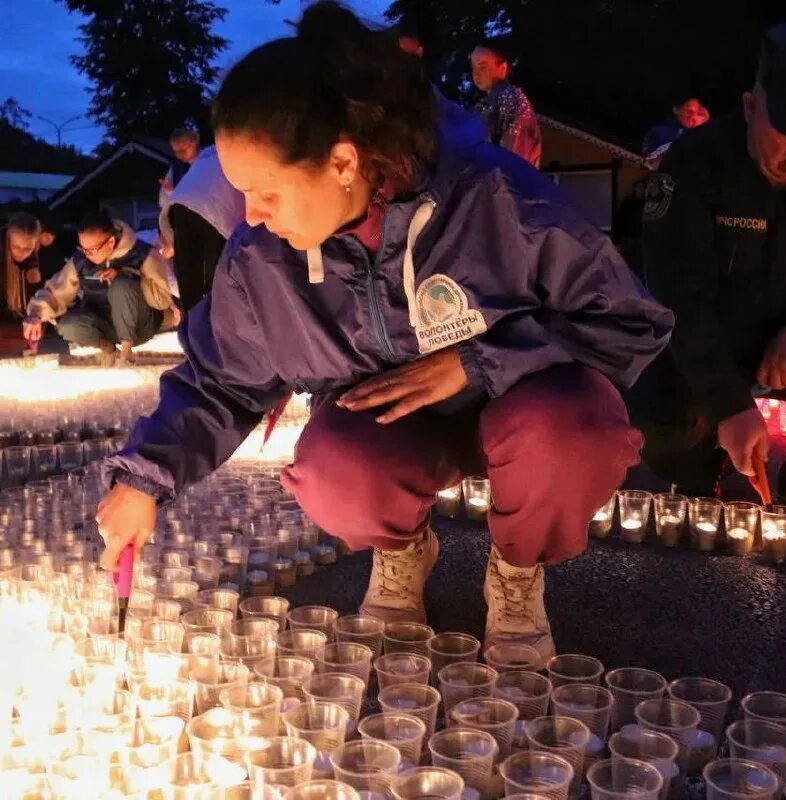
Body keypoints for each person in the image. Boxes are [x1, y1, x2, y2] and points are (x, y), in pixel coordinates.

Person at [95, 2, 671, 663]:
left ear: (342, 162)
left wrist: (480, 362)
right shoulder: (263, 260)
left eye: (267, 192)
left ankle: (516, 574)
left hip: (531, 413)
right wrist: (144, 479)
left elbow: (628, 321)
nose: (250, 215)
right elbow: (217, 379)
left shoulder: (494, 201)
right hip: (398, 432)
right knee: (332, 467)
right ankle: (401, 554)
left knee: (576, 433)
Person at [629, 20, 786, 498]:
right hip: (708, 344)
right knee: (658, 421)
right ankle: (700, 480)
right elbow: (678, 296)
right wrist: (729, 404)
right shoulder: (691, 167)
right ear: (750, 107)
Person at [22, 210, 176, 365]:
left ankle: (126, 354)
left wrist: (126, 275)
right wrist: (36, 314)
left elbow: (161, 300)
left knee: (121, 286)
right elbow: (57, 291)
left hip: (140, 325)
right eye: (83, 249)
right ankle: (109, 351)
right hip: (103, 324)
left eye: (93, 250)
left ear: (110, 242)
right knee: (67, 325)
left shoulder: (142, 254)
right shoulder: (81, 260)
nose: (87, 254)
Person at [158, 145, 246, 311]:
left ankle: (193, 324)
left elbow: (165, 197)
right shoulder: (232, 156)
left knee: (189, 277)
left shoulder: (201, 162)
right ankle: (217, 321)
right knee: (218, 272)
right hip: (213, 211)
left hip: (179, 205)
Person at [470, 40, 542, 168]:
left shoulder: (512, 100)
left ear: (503, 68)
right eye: (473, 67)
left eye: (483, 67)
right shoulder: (483, 105)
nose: (476, 73)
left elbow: (513, 157)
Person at [642, 95, 711, 166]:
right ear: (676, 109)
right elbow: (649, 163)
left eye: (698, 113)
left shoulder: (701, 136)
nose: (693, 117)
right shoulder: (658, 131)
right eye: (689, 112)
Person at [1, 212, 46, 317]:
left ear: (36, 245)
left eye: (27, 248)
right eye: (15, 246)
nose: (21, 253)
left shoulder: (40, 261)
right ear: (8, 239)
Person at [159, 128, 201, 204]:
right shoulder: (176, 168)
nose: (180, 155)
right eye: (176, 152)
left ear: (194, 143)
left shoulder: (209, 161)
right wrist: (171, 192)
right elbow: (164, 203)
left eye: (183, 150)